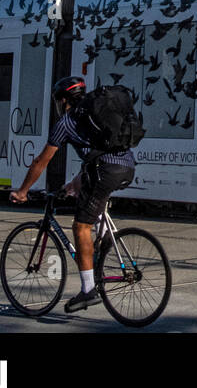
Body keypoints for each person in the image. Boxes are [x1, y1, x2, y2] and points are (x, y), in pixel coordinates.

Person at [10, 77, 137, 313]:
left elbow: (41, 161)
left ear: (63, 100)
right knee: (86, 194)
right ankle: (107, 239)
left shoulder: (68, 122)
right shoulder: (93, 115)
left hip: (104, 170)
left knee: (80, 226)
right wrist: (72, 183)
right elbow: (93, 156)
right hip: (127, 166)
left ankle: (88, 289)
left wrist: (23, 191)